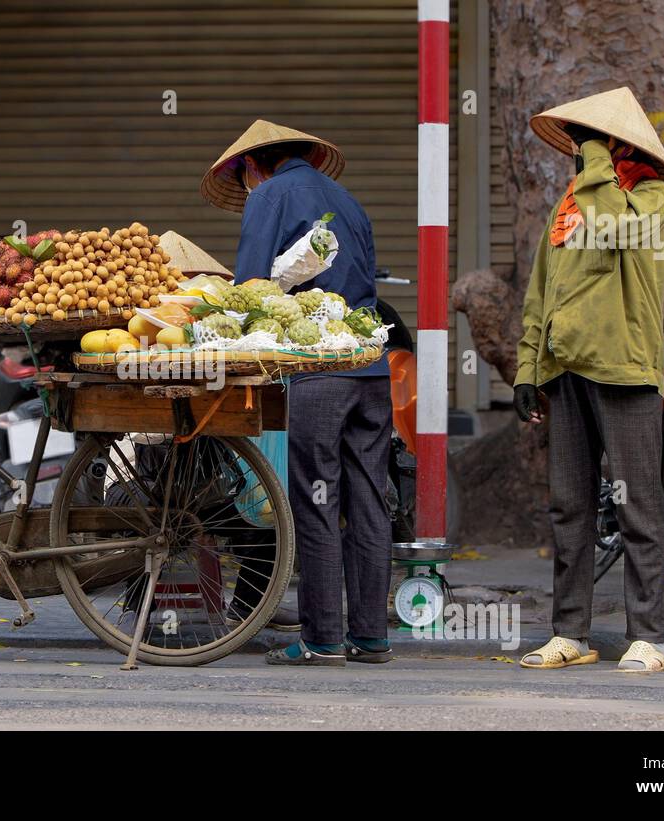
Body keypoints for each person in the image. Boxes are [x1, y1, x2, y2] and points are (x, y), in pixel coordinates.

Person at [201, 119, 394, 666]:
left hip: (318, 370)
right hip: (371, 366)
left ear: (253, 167)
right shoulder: (348, 201)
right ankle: (371, 637)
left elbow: (251, 286)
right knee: (369, 502)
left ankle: (323, 638)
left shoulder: (269, 195)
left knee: (316, 499)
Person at [513, 87, 664, 673]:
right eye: (580, 144)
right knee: (569, 508)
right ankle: (570, 631)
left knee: (637, 505)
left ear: (615, 146)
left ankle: (649, 637)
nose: (579, 153)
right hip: (566, 370)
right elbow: (542, 293)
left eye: (590, 141)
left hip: (625, 369)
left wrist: (599, 163)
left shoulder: (649, 198)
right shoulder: (569, 204)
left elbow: (614, 230)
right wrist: (528, 370)